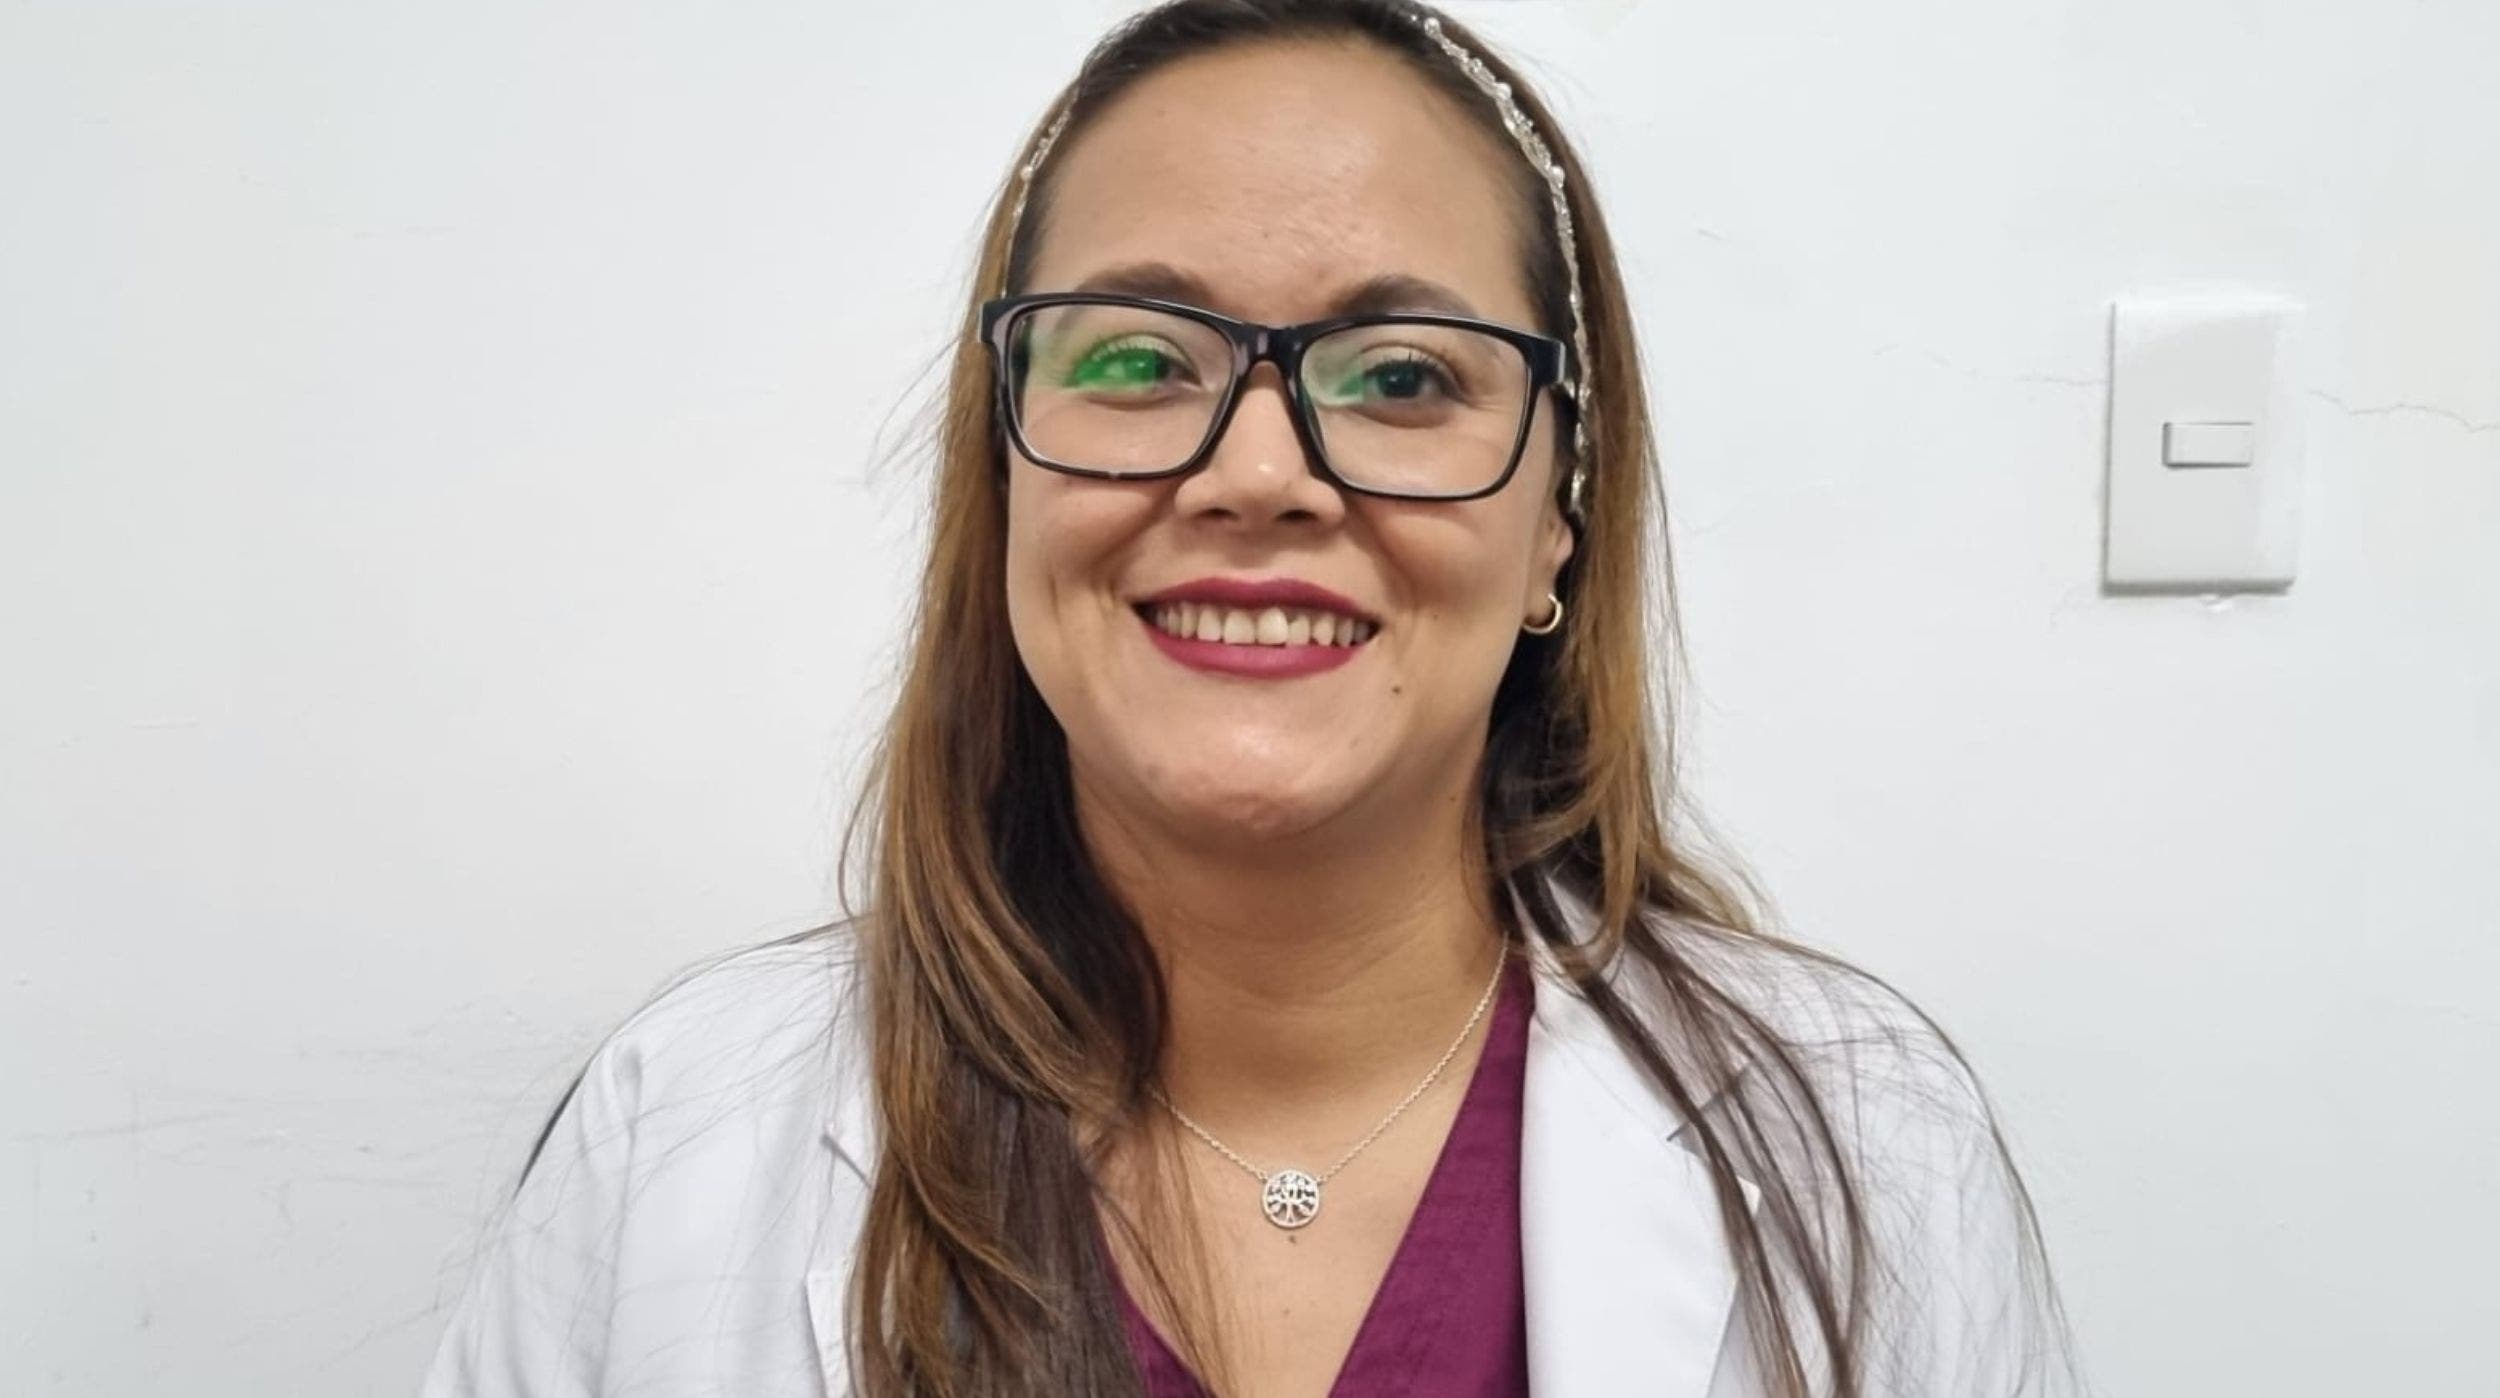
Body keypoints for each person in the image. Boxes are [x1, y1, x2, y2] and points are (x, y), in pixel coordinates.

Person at [420, 2, 2087, 1394]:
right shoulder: (678, 1133)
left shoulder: (1867, 1142)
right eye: (1140, 359)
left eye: (1405, 376)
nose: (1261, 472)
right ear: (1003, 481)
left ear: (1554, 523)